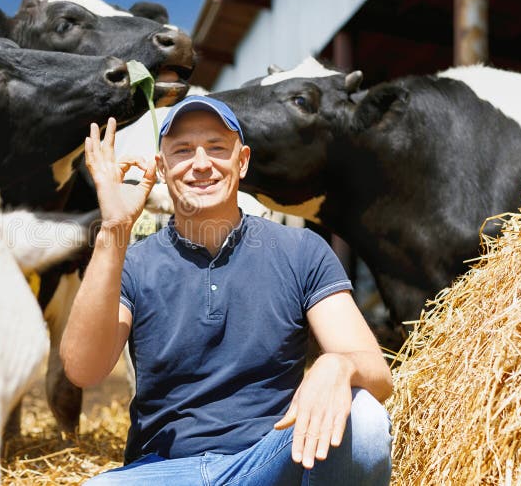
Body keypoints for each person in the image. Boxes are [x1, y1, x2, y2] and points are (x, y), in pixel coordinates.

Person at [60, 96, 393, 485]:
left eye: (217, 147)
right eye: (183, 150)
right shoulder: (132, 263)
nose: (201, 163)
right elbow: (83, 369)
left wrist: (339, 364)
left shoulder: (301, 251)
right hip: (165, 471)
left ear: (243, 161)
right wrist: (114, 231)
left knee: (364, 417)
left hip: (270, 460)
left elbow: (378, 374)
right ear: (162, 168)